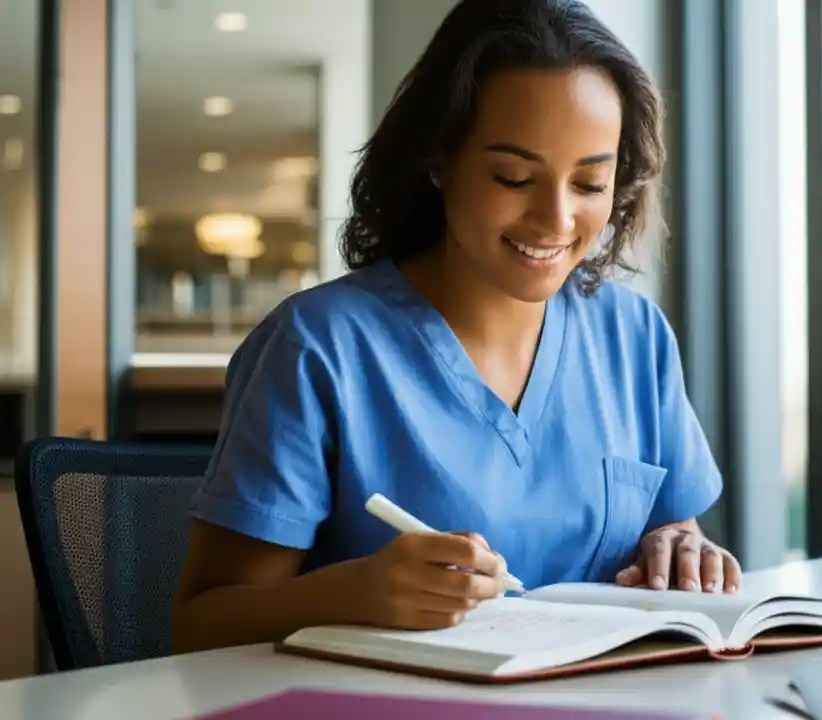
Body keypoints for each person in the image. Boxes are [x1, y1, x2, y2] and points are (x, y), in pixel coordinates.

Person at [172, 0, 740, 654]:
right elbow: (199, 627)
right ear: (440, 158)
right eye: (515, 177)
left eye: (590, 182)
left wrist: (680, 546)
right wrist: (351, 595)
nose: (556, 219)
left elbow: (674, 530)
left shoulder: (634, 336)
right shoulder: (319, 348)